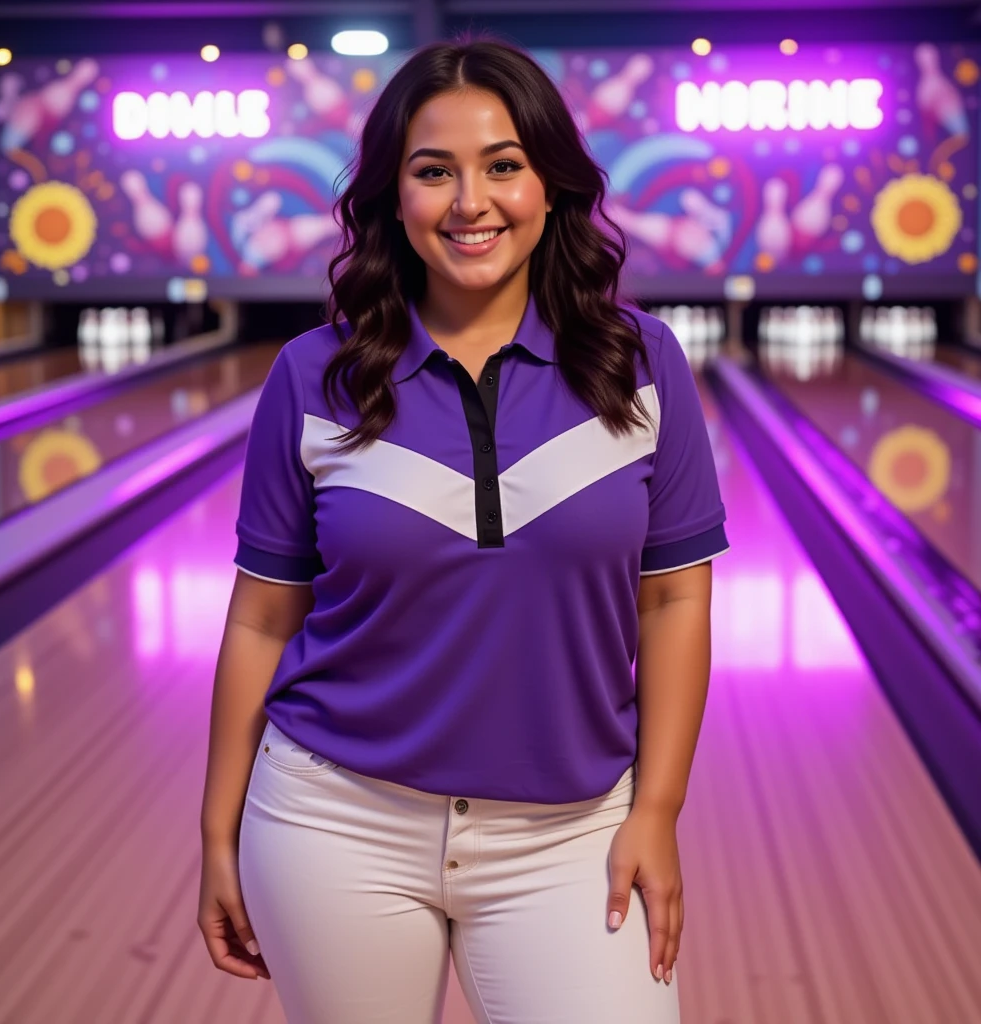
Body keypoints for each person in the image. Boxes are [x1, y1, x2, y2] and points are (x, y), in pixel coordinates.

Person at [198, 35, 728, 1024]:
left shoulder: (641, 365)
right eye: (432, 170)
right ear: (392, 196)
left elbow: (674, 595)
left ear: (551, 184)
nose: (469, 201)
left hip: (570, 832)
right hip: (331, 817)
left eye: (503, 166)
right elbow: (264, 616)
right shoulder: (313, 377)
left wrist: (655, 809)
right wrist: (216, 834)